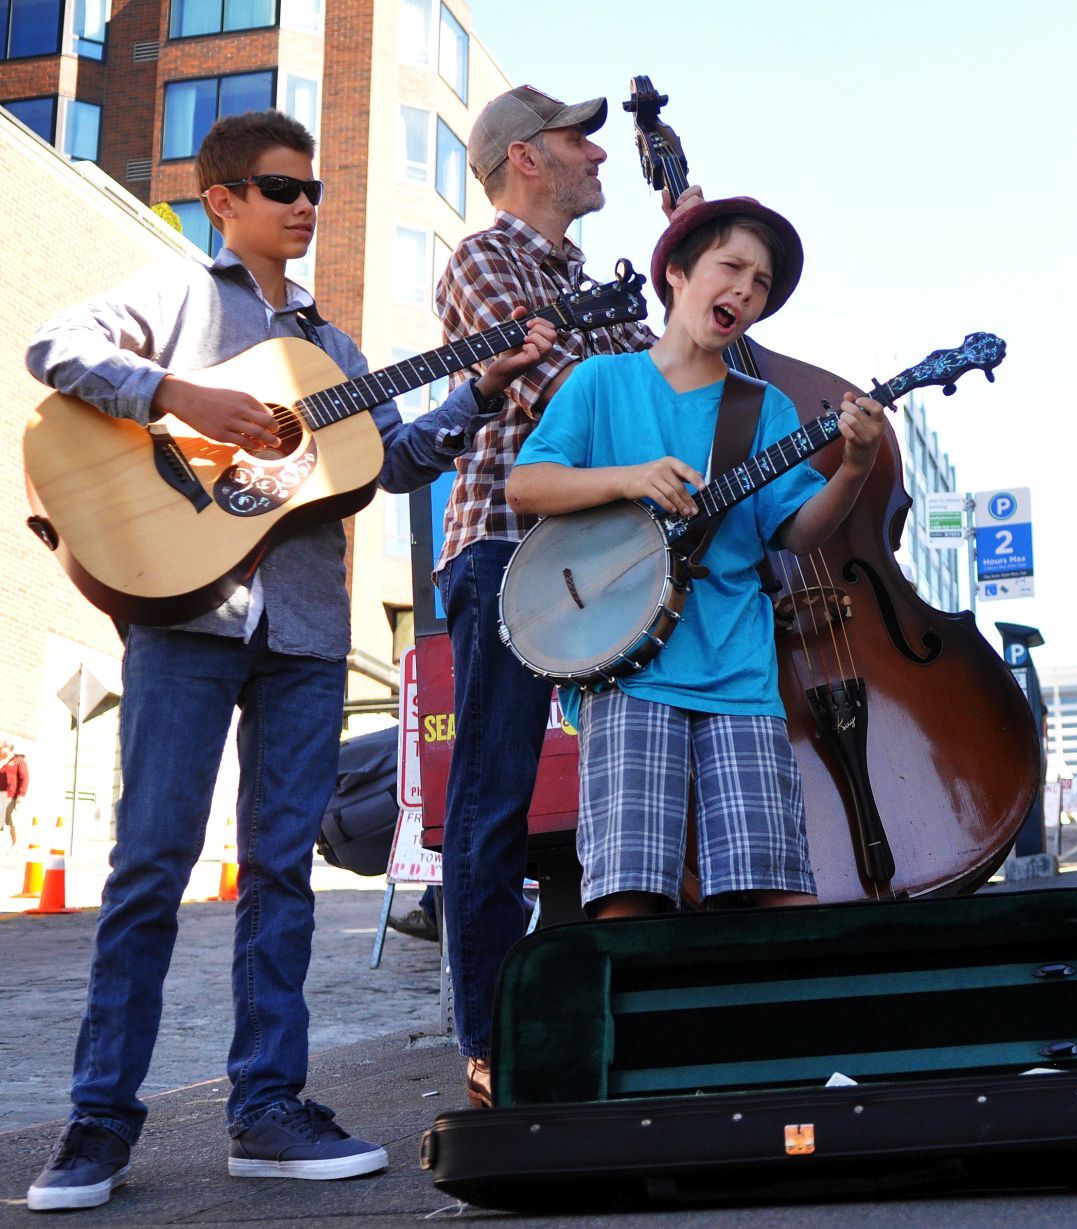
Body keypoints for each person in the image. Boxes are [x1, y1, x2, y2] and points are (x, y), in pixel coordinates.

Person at [22, 109, 553, 1212]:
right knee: (149, 865)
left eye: (312, 188)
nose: (305, 204)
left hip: (305, 633)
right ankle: (99, 1119)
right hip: (188, 617)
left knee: (281, 874)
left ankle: (268, 1107)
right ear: (222, 200)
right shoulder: (177, 295)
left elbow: (390, 459)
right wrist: (180, 395)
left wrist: (479, 391)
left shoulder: (330, 350)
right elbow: (53, 346)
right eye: (281, 187)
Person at [432, 84, 702, 1110]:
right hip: (508, 549)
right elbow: (573, 404)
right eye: (577, 139)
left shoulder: (593, 283)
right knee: (493, 794)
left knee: (630, 785)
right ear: (524, 157)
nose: (600, 154)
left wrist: (693, 267)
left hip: (601, 551)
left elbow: (667, 393)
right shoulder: (483, 262)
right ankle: (491, 1037)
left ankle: (620, 1013)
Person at [508, 197, 887, 922]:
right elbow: (528, 484)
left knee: (775, 886)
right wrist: (630, 477)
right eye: (731, 267)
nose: (745, 290)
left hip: (739, 668)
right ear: (677, 273)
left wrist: (855, 465)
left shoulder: (764, 407)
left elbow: (797, 532)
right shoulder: (600, 382)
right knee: (628, 892)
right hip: (627, 667)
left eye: (761, 283)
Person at [0, 738, 28, 846]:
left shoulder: (18, 760)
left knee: (11, 820)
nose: (0, 750)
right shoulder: (4, 761)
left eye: (2, 748)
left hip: (11, 796)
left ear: (9, 748)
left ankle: (15, 843)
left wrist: (21, 794)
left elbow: (25, 778)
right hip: (2, 795)